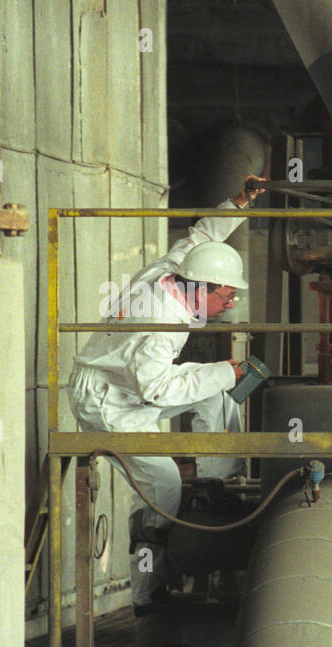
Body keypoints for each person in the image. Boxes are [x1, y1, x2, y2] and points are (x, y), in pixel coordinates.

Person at [67, 179, 264, 613]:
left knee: (216, 394)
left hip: (127, 384)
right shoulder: (162, 322)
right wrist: (223, 371)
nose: (231, 304)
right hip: (109, 403)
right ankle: (147, 593)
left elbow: (201, 236)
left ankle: (217, 486)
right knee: (164, 485)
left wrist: (239, 202)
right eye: (228, 295)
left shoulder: (172, 272)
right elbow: (155, 389)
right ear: (203, 288)